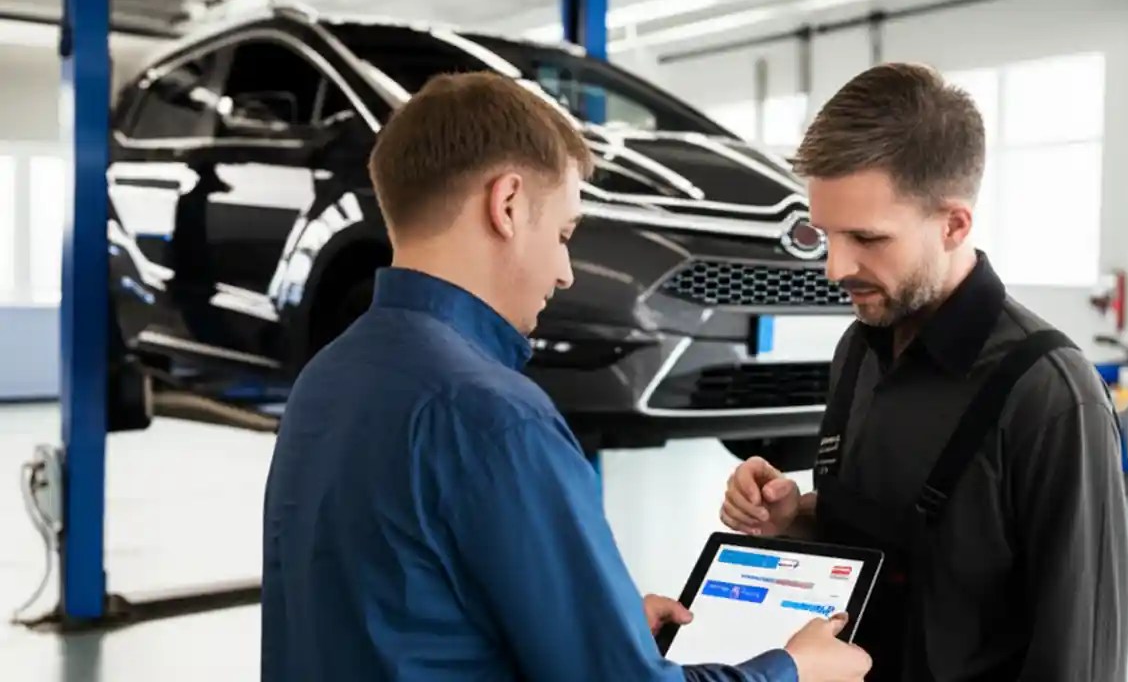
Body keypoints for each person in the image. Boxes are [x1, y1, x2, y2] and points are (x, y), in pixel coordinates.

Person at [260, 71, 873, 682]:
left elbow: (402, 614)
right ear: (506, 205)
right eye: (563, 235)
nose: (565, 273)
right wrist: (792, 671)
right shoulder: (495, 416)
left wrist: (593, 627)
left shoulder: (326, 379)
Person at [719, 63, 1128, 681]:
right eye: (825, 235)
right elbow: (864, 551)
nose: (836, 268)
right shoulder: (859, 352)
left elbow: (1082, 654)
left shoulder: (1048, 395)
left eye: (867, 237)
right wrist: (791, 521)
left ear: (954, 224)